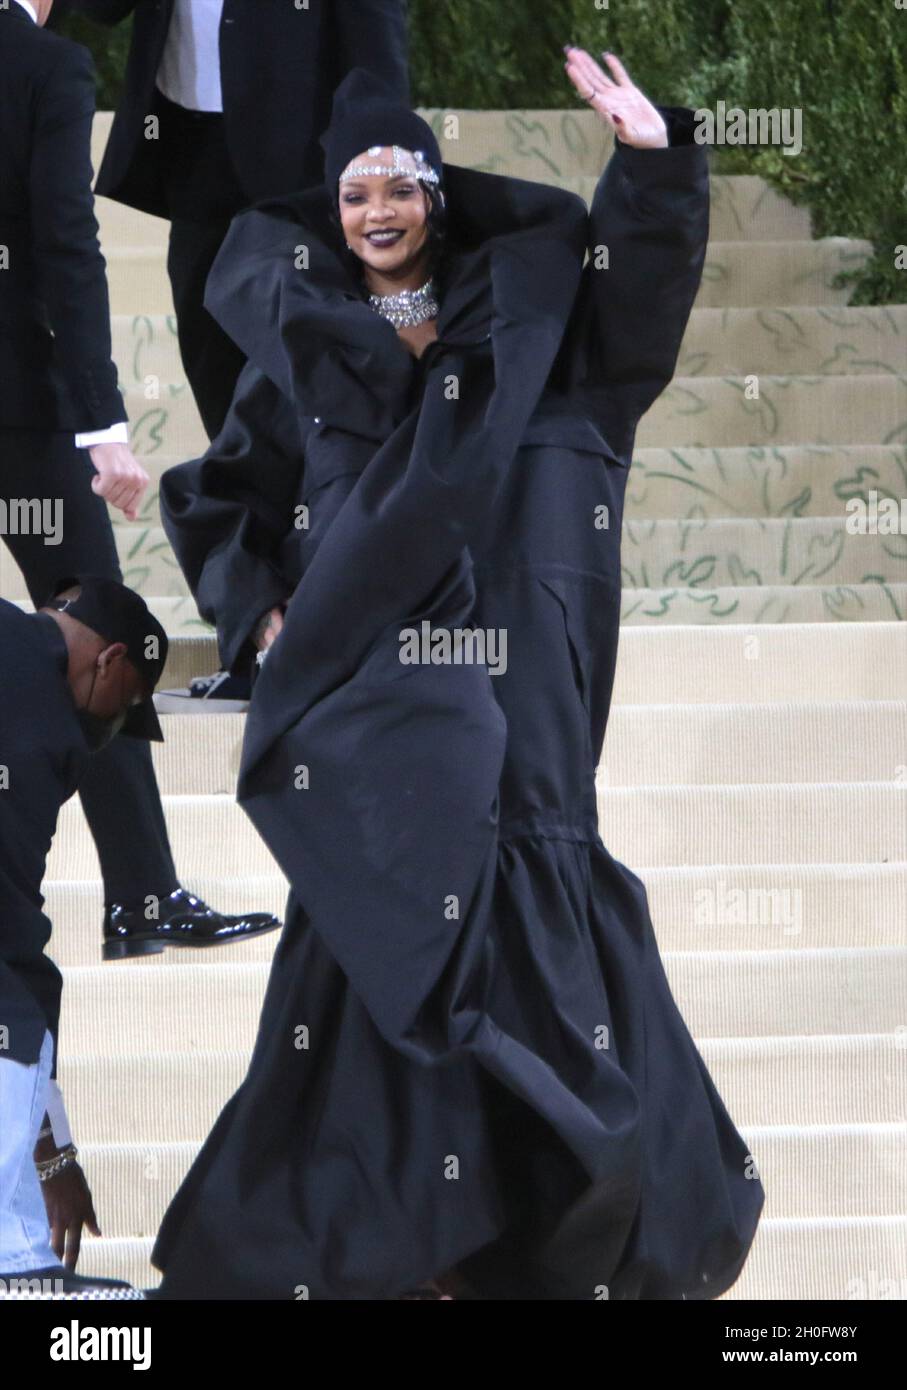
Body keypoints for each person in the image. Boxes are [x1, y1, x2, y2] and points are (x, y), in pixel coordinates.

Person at [150, 51, 765, 1299]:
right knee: (385, 941)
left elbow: (642, 290)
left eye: (399, 187)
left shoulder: (554, 331)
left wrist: (652, 164)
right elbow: (218, 501)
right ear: (331, 212)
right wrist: (261, 614)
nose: (377, 212)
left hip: (526, 698)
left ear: (439, 192)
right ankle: (389, 1250)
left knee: (528, 922)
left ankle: (549, 1248)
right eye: (352, 195)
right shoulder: (307, 357)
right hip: (378, 718)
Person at [0, 0, 281, 959]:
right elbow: (66, 252)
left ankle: (145, 894)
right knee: (100, 635)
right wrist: (102, 426)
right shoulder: (45, 65)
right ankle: (142, 899)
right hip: (22, 417)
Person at [67, 0, 410, 712]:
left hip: (304, 173)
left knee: (301, 411)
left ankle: (327, 638)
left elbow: (374, 54)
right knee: (223, 399)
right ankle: (256, 638)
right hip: (192, 157)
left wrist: (375, 187)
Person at [0, 576, 170, 1299]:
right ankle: (13, 1260)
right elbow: (8, 924)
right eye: (124, 706)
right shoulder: (44, 725)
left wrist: (52, 1145)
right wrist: (51, 1151)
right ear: (109, 661)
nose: (108, 732)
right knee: (17, 1007)